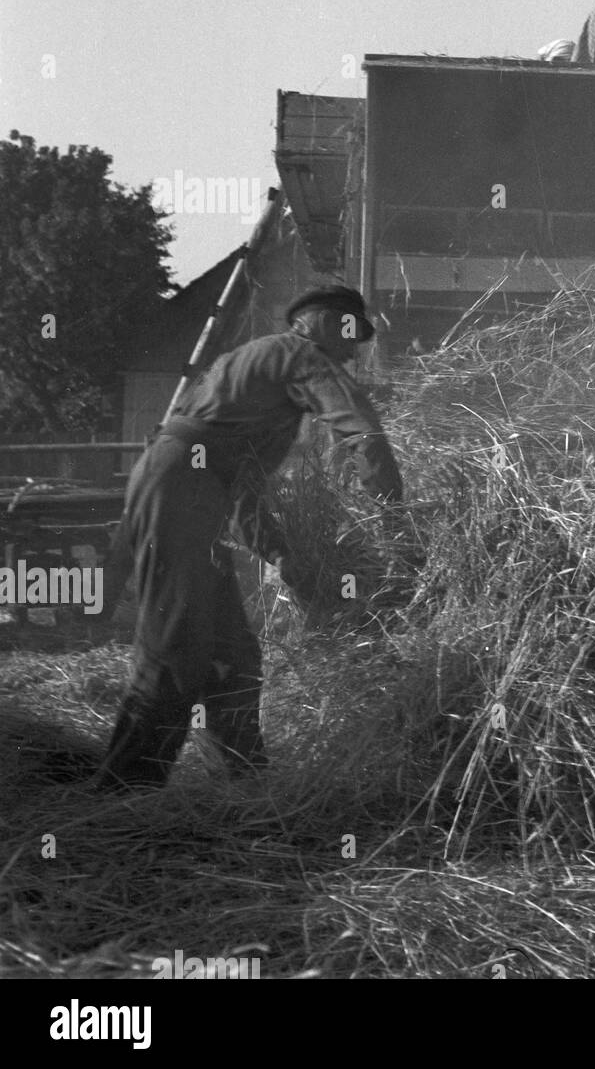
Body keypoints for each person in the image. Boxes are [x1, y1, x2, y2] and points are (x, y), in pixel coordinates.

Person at [95, 286, 403, 790]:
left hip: (188, 485)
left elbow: (244, 495)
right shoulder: (299, 355)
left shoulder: (258, 381)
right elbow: (360, 428)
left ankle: (243, 785)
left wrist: (281, 553)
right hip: (181, 485)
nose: (353, 352)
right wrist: (394, 517)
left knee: (232, 653)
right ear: (326, 323)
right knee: (177, 641)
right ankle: (124, 793)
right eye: (351, 335)